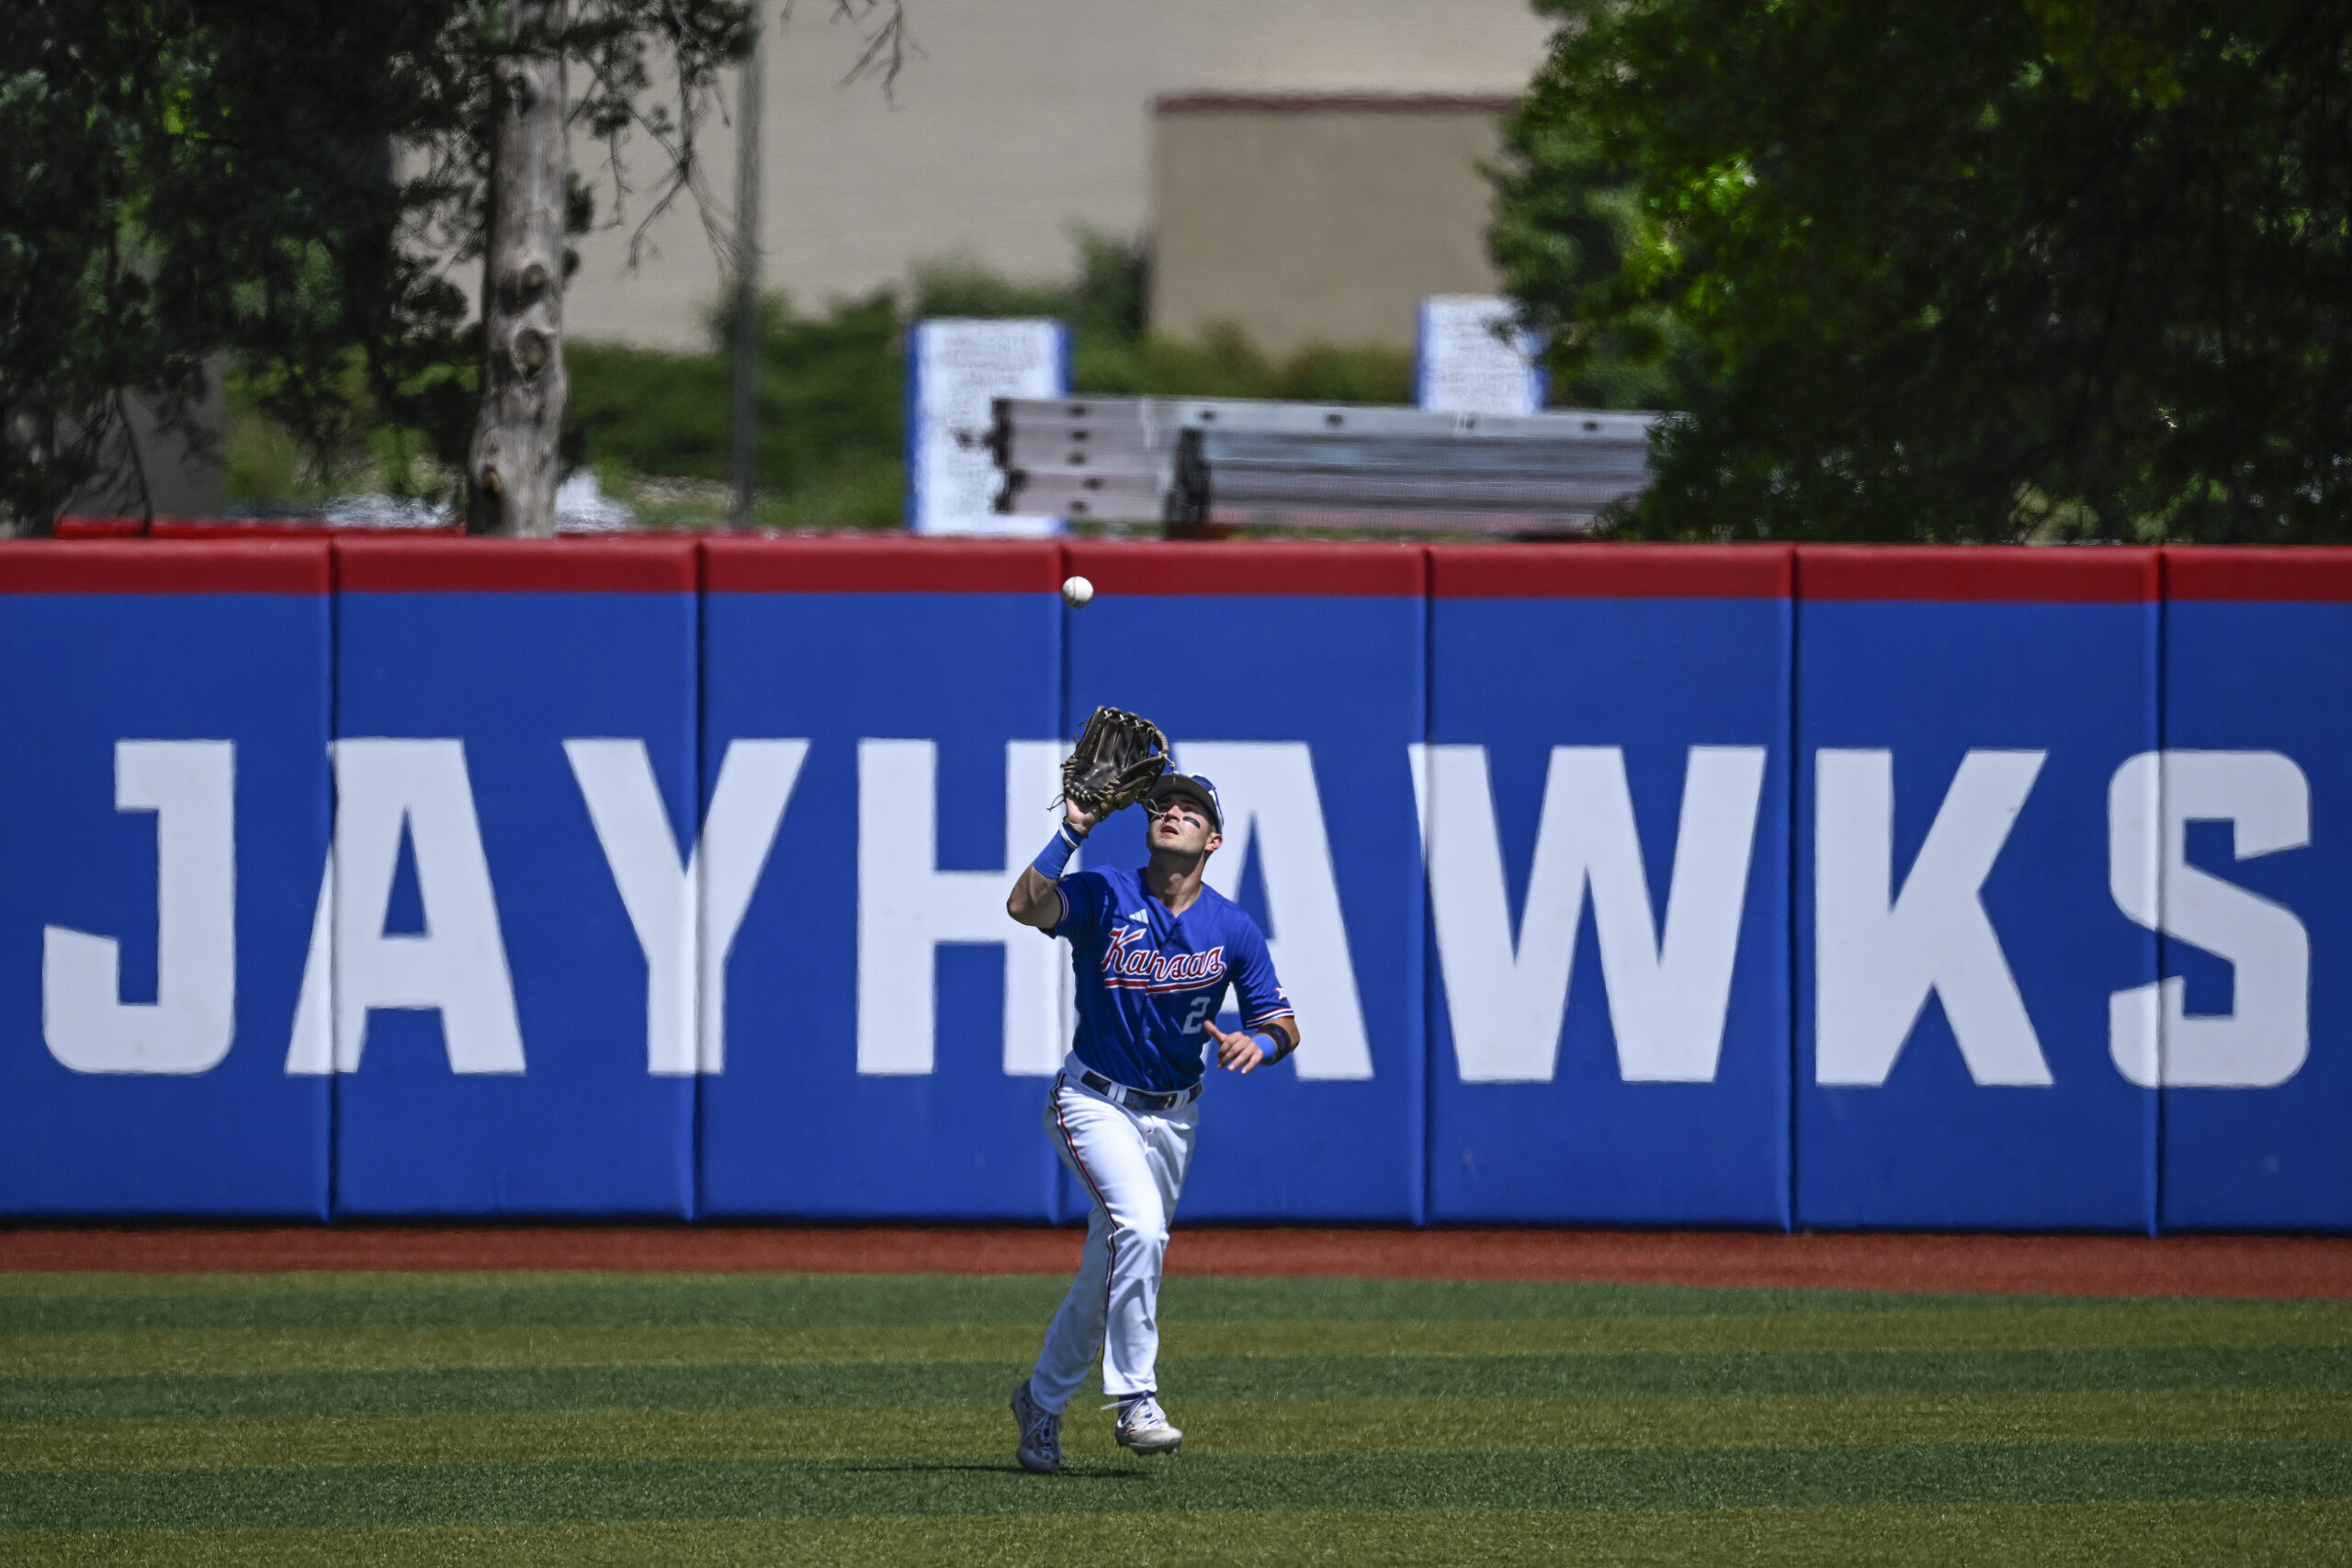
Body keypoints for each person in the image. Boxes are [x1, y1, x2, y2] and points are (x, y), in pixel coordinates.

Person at [1001, 770, 1301, 1473]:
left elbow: (1282, 1022)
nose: (1173, 810)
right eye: (1164, 803)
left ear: (1213, 839)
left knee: (1109, 1264)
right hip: (1093, 1098)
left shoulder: (1231, 926)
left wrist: (1255, 1044)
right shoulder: (1107, 892)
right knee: (1140, 1229)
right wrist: (1071, 829)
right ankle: (1136, 1396)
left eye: (1192, 808)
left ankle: (1041, 1405)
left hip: (1174, 1117)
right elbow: (1023, 906)